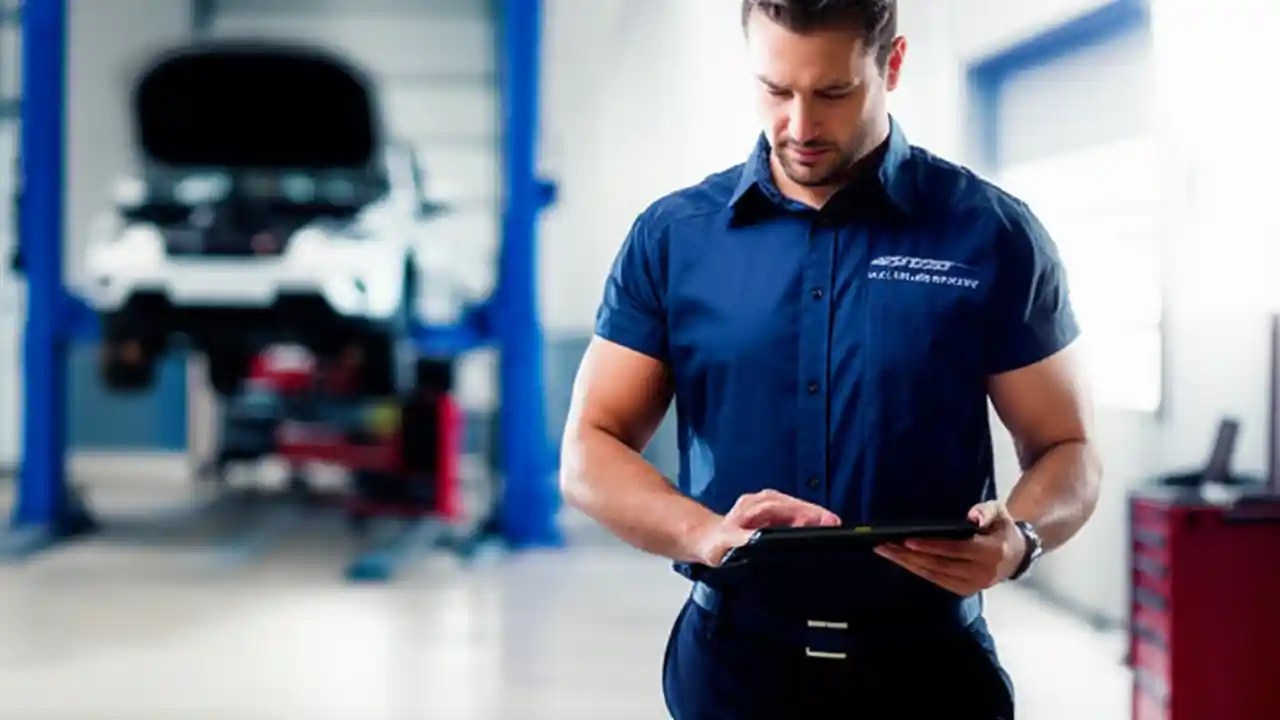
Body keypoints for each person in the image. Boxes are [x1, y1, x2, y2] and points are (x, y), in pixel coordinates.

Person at [559, 0, 1102, 717]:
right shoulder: (674, 238)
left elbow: (1069, 449)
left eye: (834, 93)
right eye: (776, 91)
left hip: (929, 675)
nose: (801, 127)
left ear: (892, 65)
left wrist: (1021, 539)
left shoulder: (991, 234)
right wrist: (706, 533)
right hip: (735, 673)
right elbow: (590, 451)